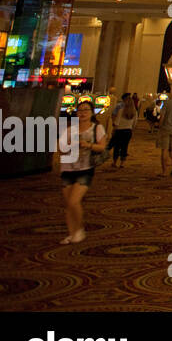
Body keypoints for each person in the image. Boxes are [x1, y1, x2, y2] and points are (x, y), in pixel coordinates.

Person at [56, 98, 108, 245]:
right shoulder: (69, 129)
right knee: (69, 205)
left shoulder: (97, 128)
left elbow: (102, 147)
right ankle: (72, 233)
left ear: (92, 113)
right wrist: (68, 146)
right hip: (67, 167)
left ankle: (79, 229)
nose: (83, 113)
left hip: (85, 168)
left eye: (86, 110)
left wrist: (88, 145)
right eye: (80, 110)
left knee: (74, 201)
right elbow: (60, 149)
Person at [108, 93, 137, 169]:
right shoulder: (135, 112)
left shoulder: (121, 110)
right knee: (125, 147)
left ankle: (114, 162)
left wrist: (113, 130)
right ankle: (122, 163)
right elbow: (134, 124)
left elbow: (117, 122)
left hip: (119, 131)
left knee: (117, 147)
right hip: (128, 132)